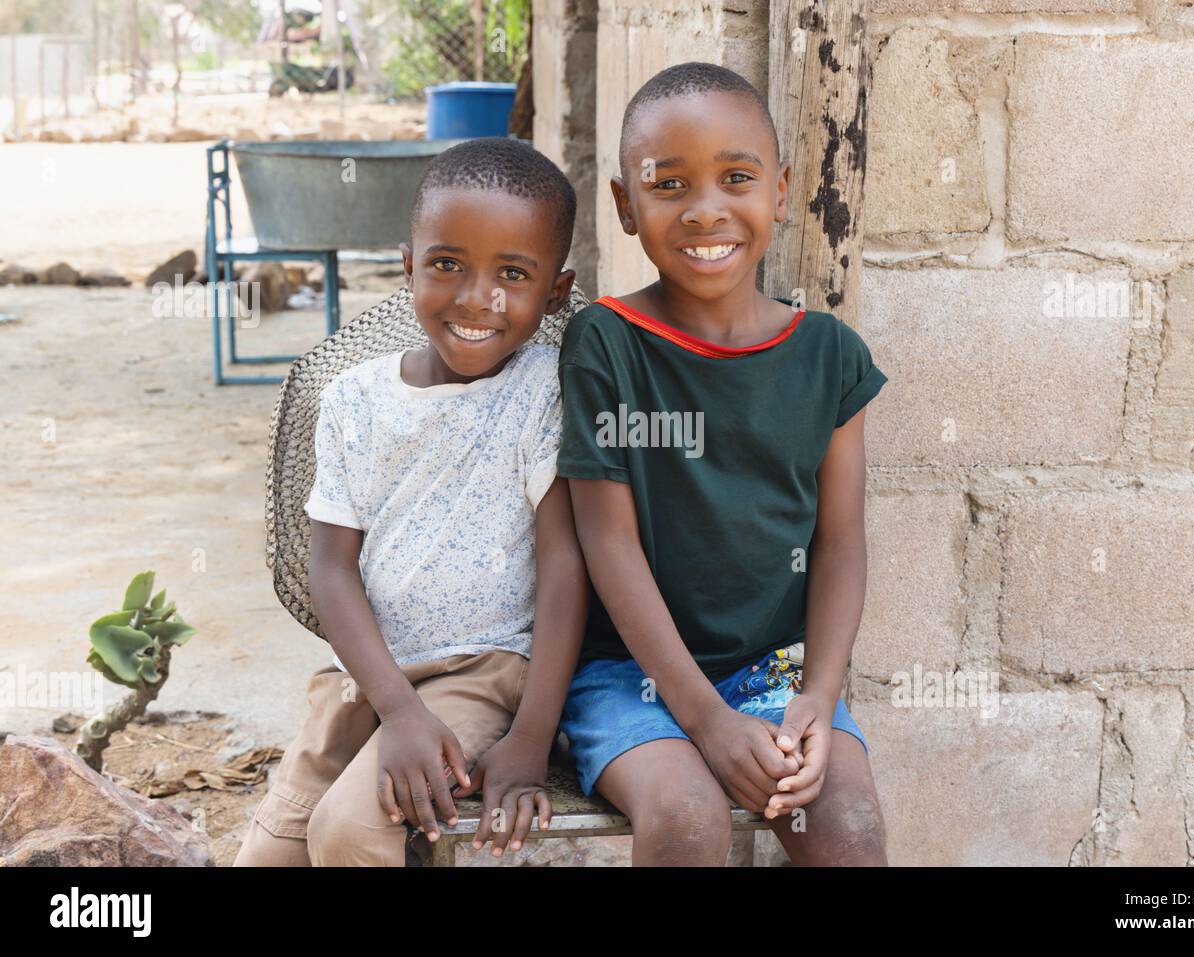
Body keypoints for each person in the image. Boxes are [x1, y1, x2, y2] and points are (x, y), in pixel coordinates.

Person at [555, 63, 890, 866]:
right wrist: (703, 717)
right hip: (628, 673)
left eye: (735, 178)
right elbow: (608, 543)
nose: (706, 209)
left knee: (847, 822)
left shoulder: (830, 357)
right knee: (685, 815)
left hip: (773, 672)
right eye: (669, 185)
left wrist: (815, 695)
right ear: (625, 206)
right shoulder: (605, 342)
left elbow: (840, 542)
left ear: (778, 190)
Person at [234, 137, 587, 866]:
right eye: (448, 264)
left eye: (512, 274)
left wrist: (530, 735)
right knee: (268, 858)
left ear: (555, 292)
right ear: (407, 266)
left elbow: (564, 570)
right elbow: (331, 570)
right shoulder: (354, 399)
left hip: (483, 673)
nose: (474, 297)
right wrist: (394, 706)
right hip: (368, 678)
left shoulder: (546, 392)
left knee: (351, 832)